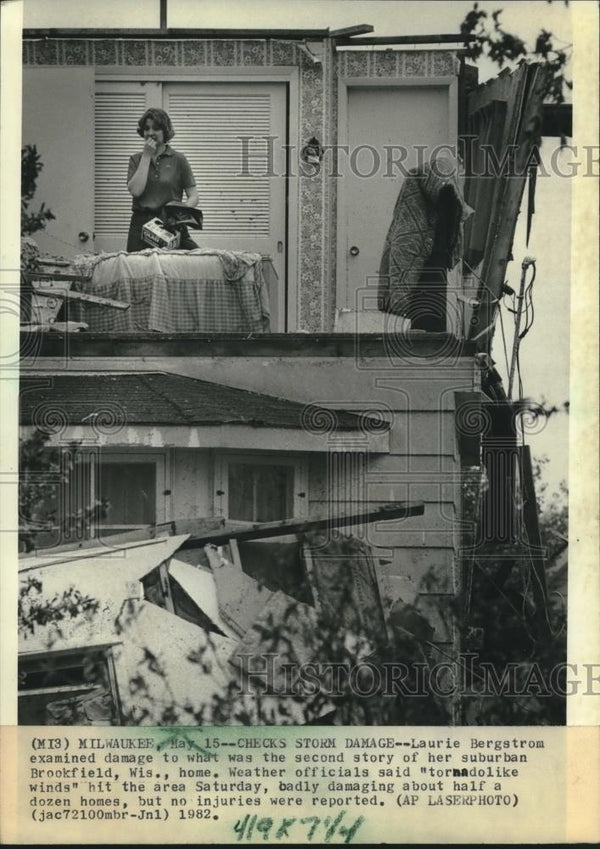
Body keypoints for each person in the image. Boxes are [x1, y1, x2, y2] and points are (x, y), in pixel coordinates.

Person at [126, 108, 200, 252]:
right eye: (146, 128)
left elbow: (194, 196)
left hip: (169, 223)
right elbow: (136, 191)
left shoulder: (179, 159)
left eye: (156, 128)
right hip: (141, 225)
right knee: (138, 269)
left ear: (165, 131)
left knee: (194, 262)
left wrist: (179, 213)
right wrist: (146, 155)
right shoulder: (136, 159)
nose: (151, 133)